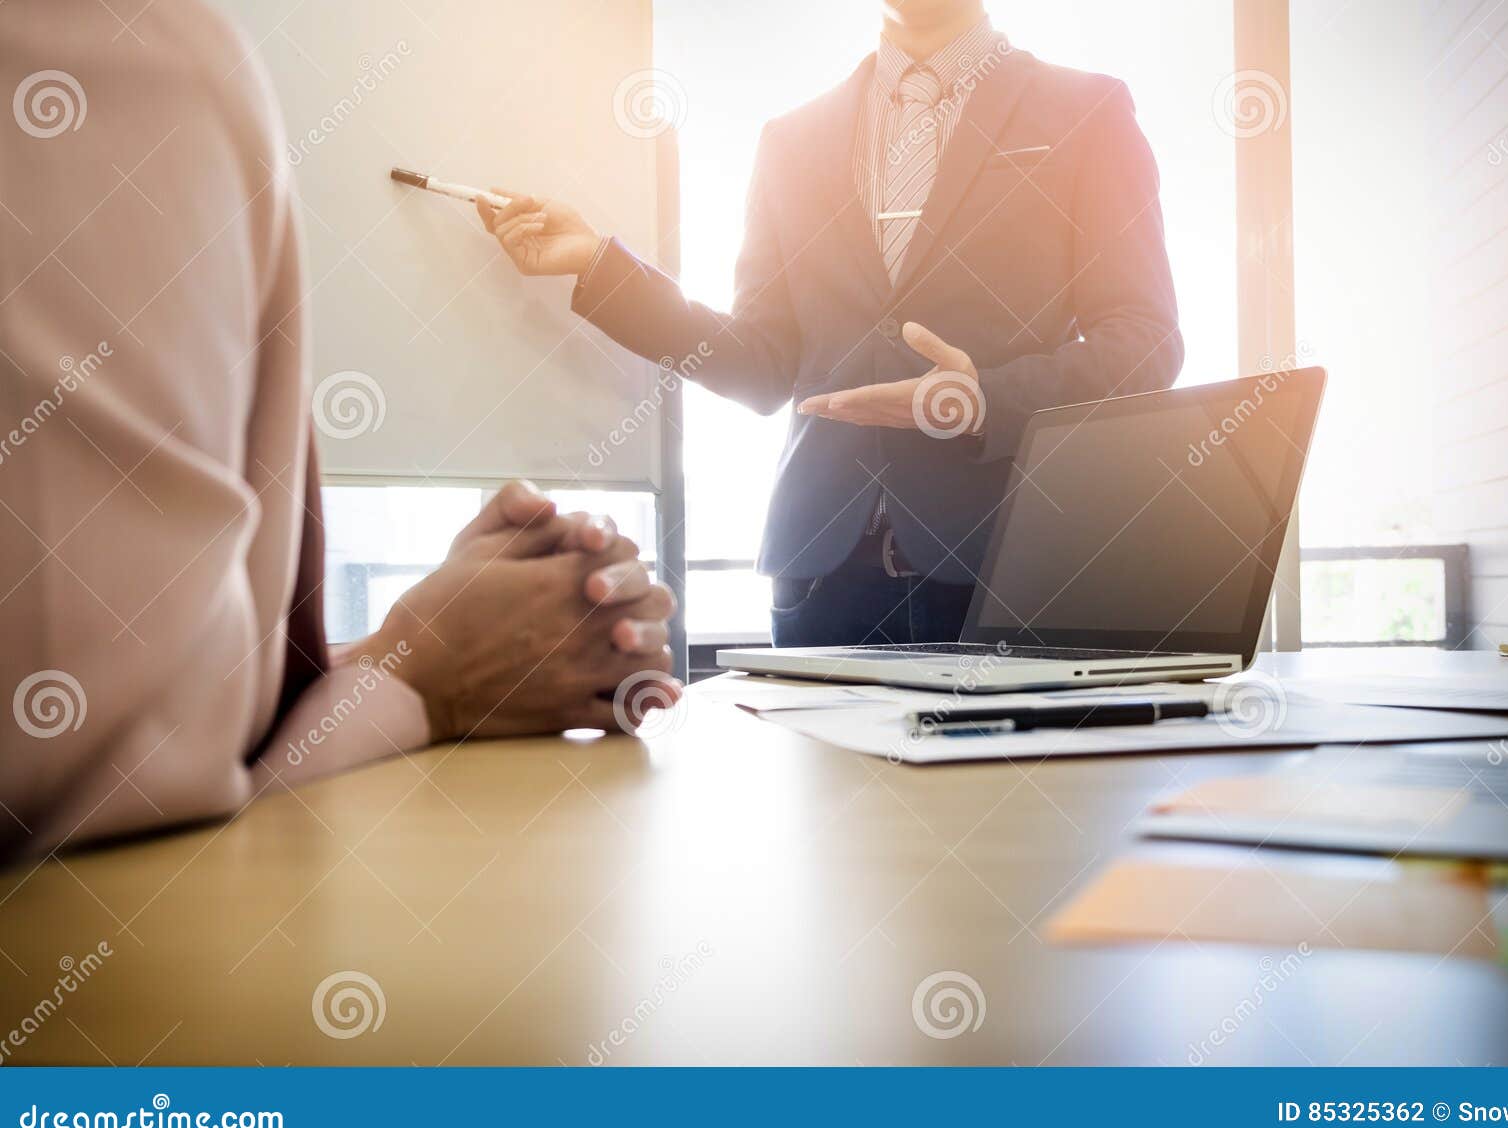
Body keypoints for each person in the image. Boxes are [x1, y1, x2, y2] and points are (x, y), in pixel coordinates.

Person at [0, 0, 679, 860]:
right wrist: (423, 676)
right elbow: (110, 822)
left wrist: (423, 634)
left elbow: (139, 710)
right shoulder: (110, 55)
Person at [479, 0, 1183, 648]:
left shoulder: (1086, 110)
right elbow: (759, 363)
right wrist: (600, 268)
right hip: (821, 575)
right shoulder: (792, 139)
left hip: (1004, 563)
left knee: (1011, 790)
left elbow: (1145, 338)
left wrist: (979, 399)